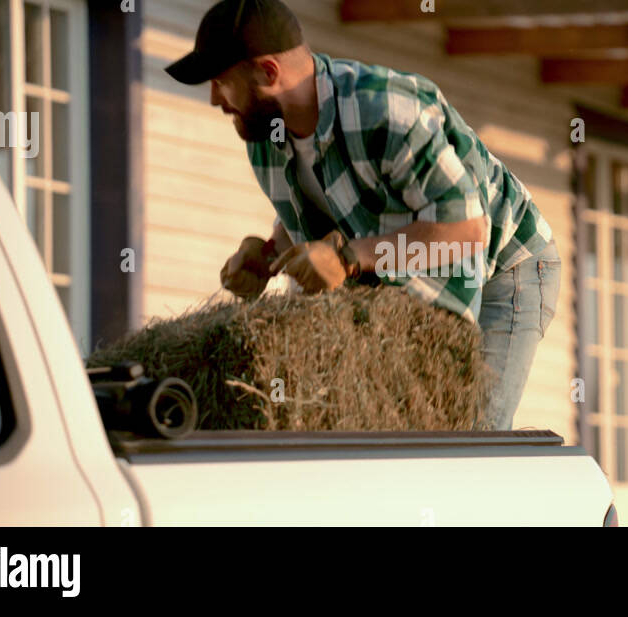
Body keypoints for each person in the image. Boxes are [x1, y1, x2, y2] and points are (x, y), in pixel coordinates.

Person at [166, 0, 560, 430]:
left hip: (505, 264)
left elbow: (465, 232)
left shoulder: (388, 112)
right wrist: (266, 252)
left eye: (220, 83)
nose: (212, 100)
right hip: (415, 267)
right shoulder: (264, 132)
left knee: (470, 436)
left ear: (268, 73)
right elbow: (323, 207)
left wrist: (350, 258)